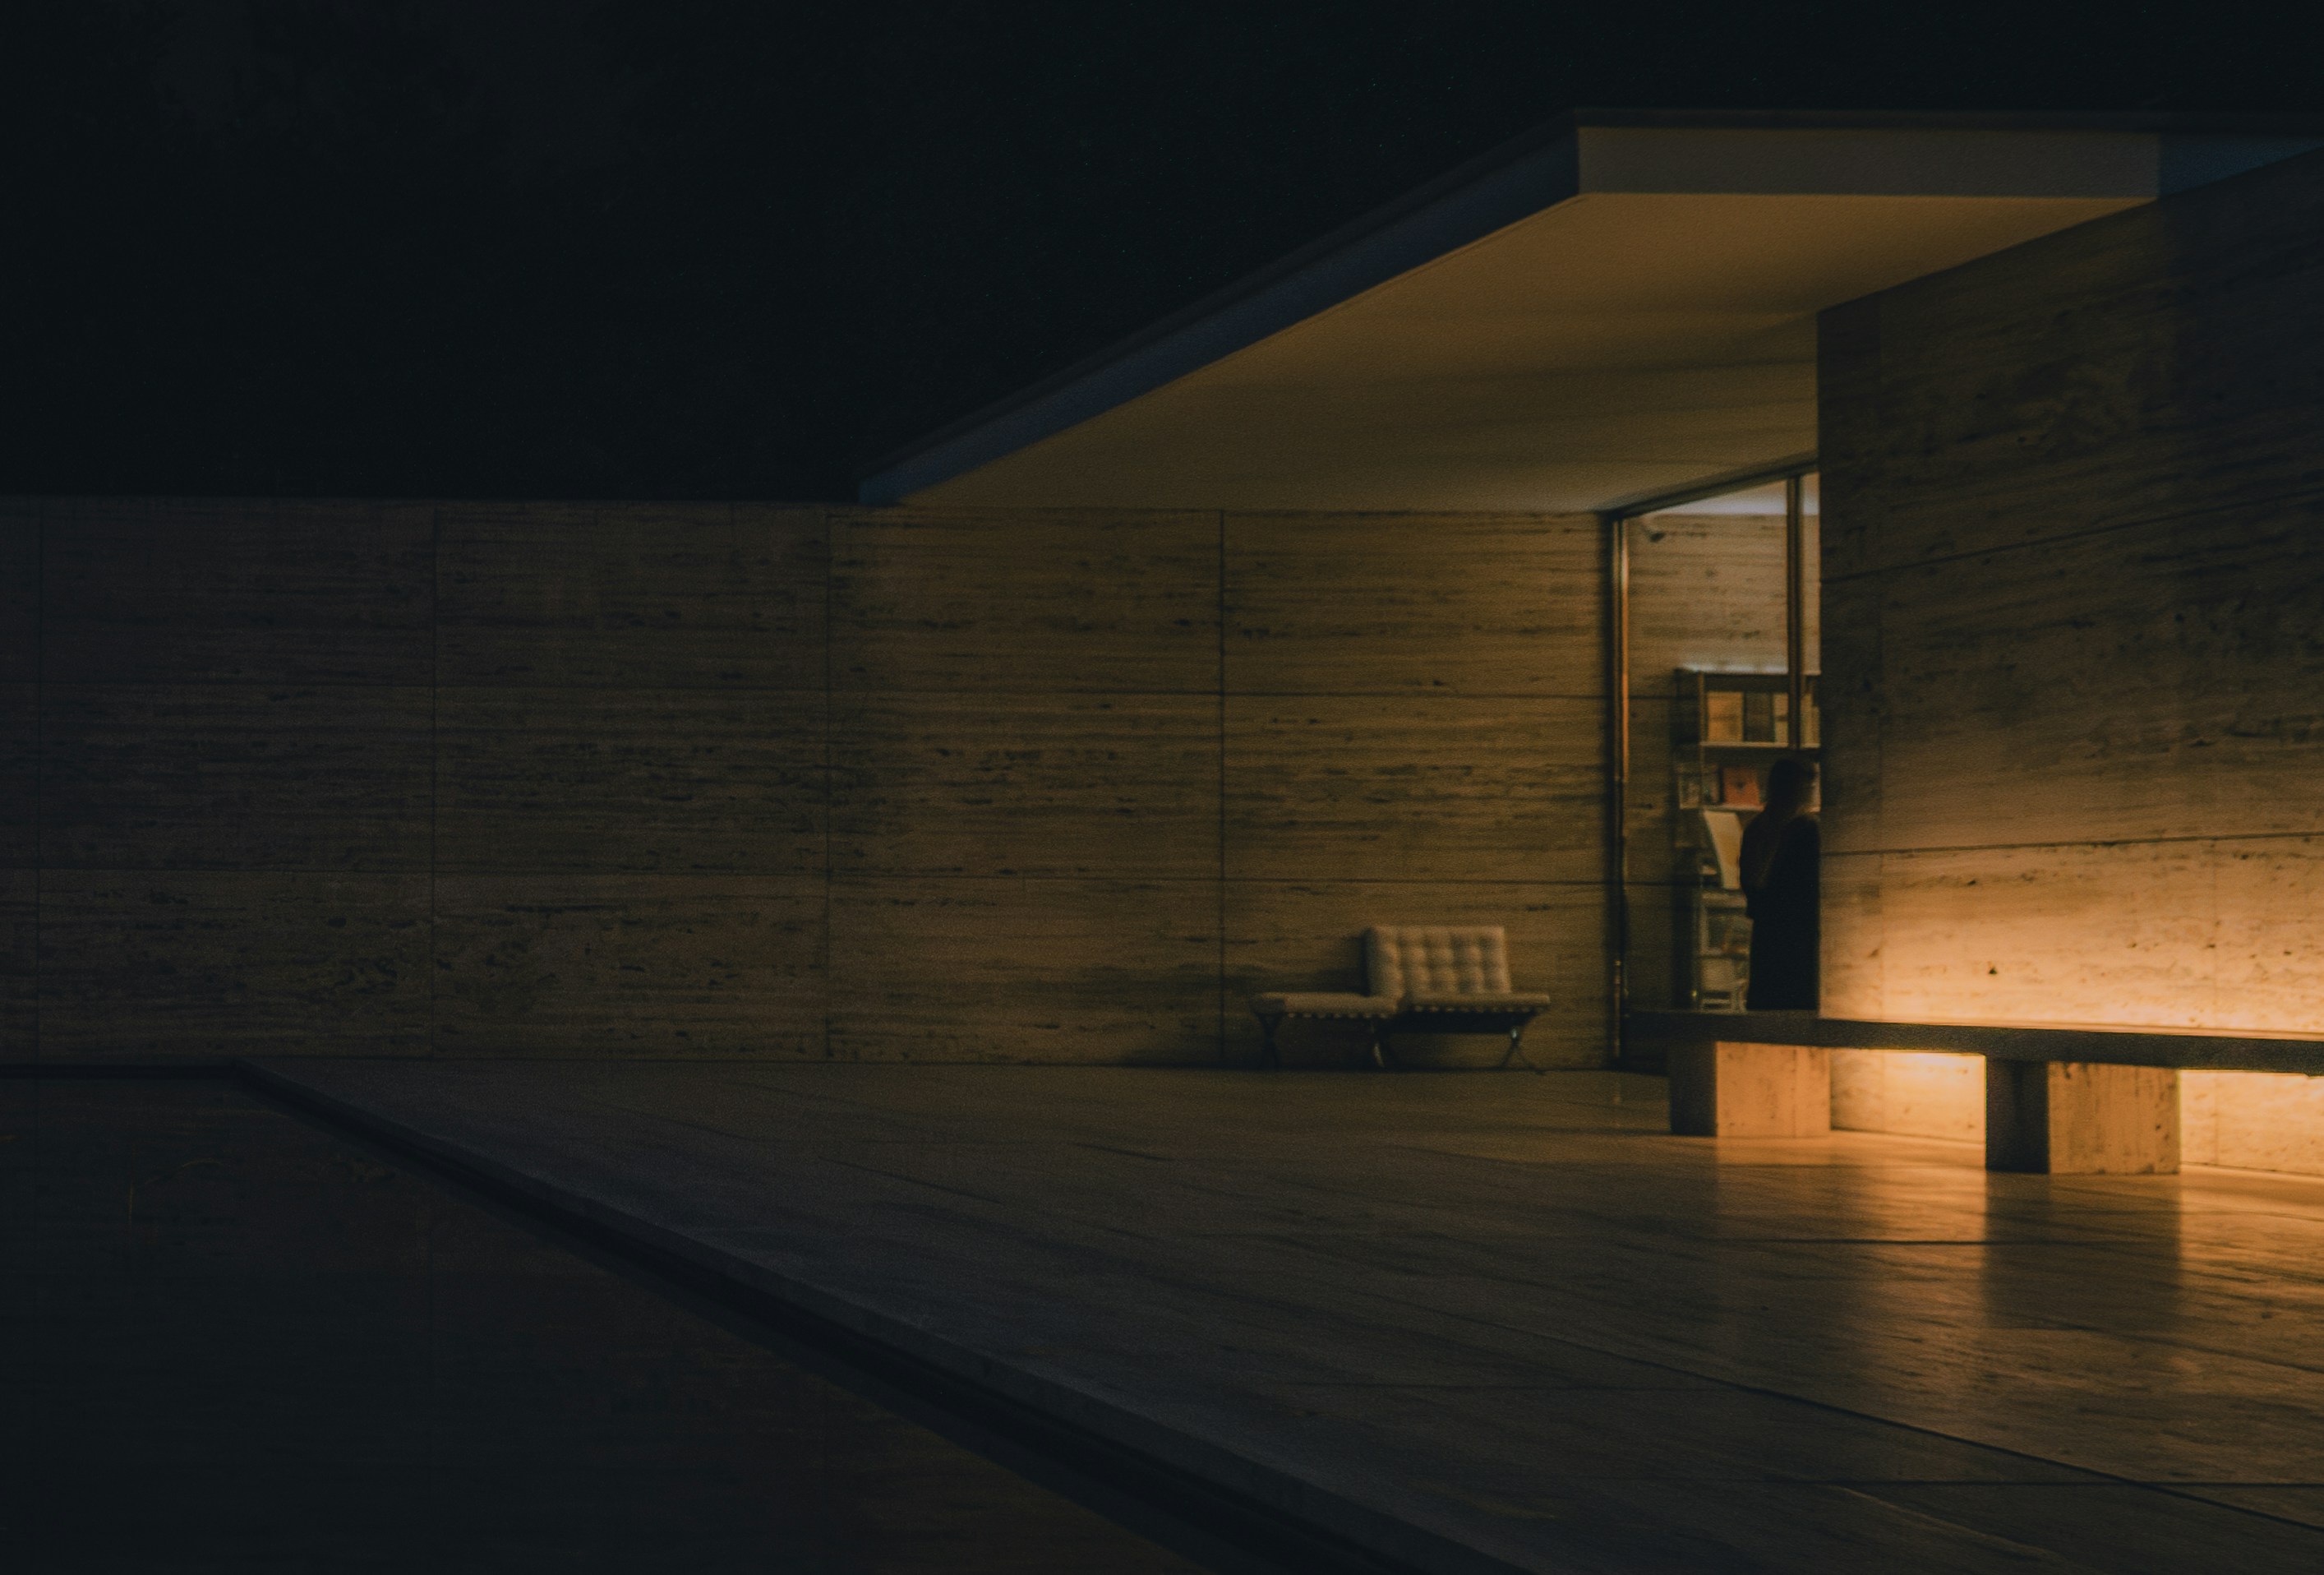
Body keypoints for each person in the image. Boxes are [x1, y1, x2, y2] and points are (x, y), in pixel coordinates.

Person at [1741, 755, 1819, 1009]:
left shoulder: (1757, 828)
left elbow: (1751, 881)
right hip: (1798, 930)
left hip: (1770, 928)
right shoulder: (1807, 830)